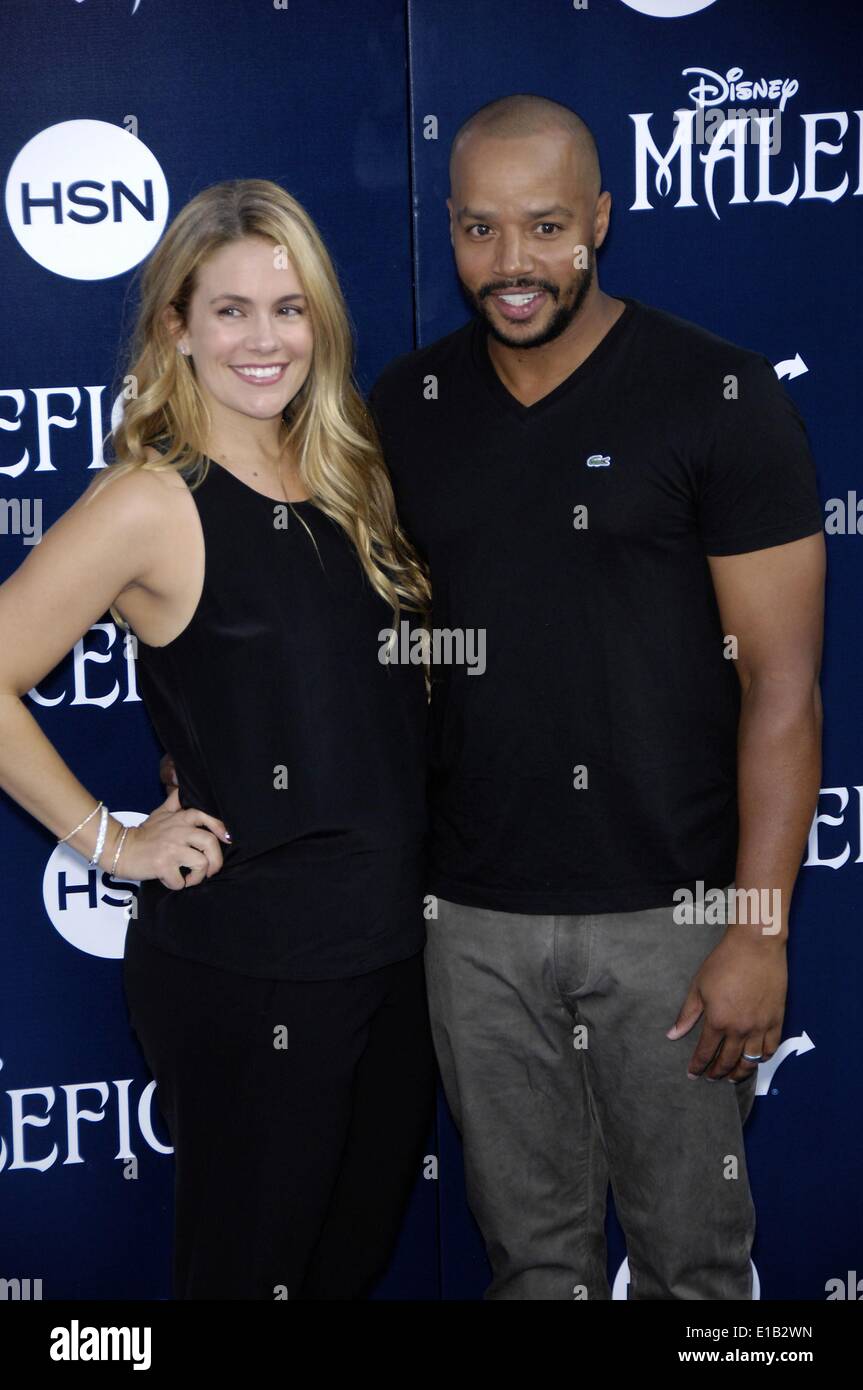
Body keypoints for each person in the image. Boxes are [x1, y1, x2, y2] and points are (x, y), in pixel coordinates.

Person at [365, 95, 825, 1300]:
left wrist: (756, 927)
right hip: (471, 926)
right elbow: (342, 642)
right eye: (478, 229)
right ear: (449, 230)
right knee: (532, 1270)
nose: (511, 264)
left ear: (601, 223)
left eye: (544, 227)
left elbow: (783, 690)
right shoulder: (399, 412)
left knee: (696, 1273)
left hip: (672, 923)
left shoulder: (716, 397)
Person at [0, 178, 436, 1300]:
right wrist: (112, 839)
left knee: (342, 1271)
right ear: (175, 328)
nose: (263, 338)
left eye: (288, 309)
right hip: (252, 972)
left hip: (390, 958)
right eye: (229, 309)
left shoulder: (348, 473)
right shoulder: (153, 499)